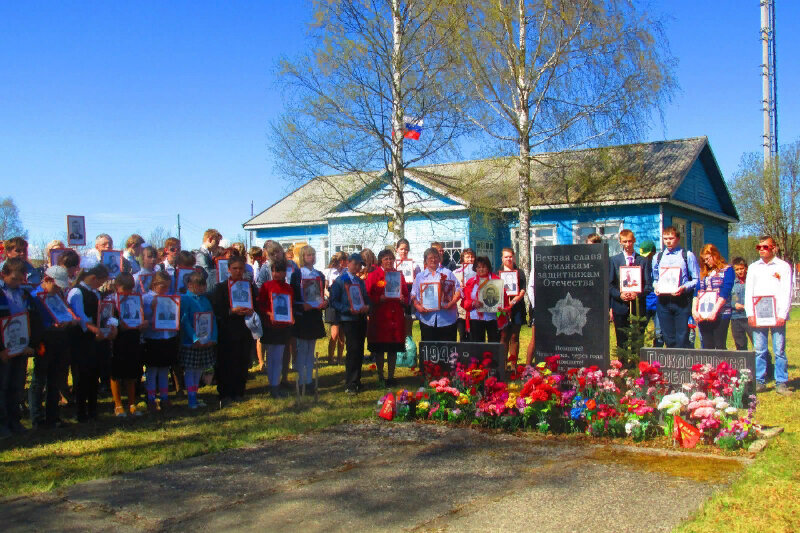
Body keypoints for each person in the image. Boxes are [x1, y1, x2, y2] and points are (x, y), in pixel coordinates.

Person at [0, 258, 44, 437]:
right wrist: (1, 349)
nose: (18, 282)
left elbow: (31, 319)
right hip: (4, 348)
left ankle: (15, 420)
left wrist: (30, 344)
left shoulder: (23, 293)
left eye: (21, 279)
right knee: (2, 385)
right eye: (14, 279)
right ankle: (2, 424)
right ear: (4, 275)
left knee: (16, 385)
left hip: (21, 345)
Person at [29, 266, 77, 428]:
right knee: (39, 380)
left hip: (59, 340)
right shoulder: (34, 297)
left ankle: (53, 416)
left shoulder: (57, 295)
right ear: (47, 280)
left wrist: (69, 320)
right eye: (56, 286)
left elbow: (65, 312)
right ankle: (37, 417)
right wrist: (50, 325)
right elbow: (33, 322)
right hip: (43, 342)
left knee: (54, 379)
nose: (57, 289)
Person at [745, 235, 792, 395]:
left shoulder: (783, 266)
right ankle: (760, 381)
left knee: (779, 350)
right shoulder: (753, 267)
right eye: (759, 247)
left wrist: (782, 314)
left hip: (777, 314)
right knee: (759, 350)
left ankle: (781, 383)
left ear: (774, 248)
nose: (762, 250)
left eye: (765, 247)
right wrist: (750, 314)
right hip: (759, 314)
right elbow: (748, 291)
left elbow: (787, 291)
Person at [67, 263, 114, 422]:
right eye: (101, 282)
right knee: (82, 376)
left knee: (94, 374)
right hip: (82, 339)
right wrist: (95, 330)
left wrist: (106, 328)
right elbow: (79, 316)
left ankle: (93, 409)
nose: (101, 285)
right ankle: (81, 411)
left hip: (96, 339)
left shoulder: (95, 293)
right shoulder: (76, 292)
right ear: (93, 278)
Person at [211, 255, 256, 406]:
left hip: (244, 328)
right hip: (227, 330)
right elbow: (217, 310)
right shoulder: (221, 288)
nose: (238, 271)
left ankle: (239, 391)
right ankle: (225, 393)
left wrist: (251, 311)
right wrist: (232, 311)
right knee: (226, 362)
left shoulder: (249, 286)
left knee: (242, 360)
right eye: (235, 268)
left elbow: (256, 305)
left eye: (240, 268)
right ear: (229, 269)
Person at [651, 226, 699, 348]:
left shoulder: (687, 255)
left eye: (671, 238)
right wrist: (656, 286)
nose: (668, 241)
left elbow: (696, 279)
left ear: (677, 238)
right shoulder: (658, 257)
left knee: (682, 337)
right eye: (665, 238)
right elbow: (655, 279)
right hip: (663, 301)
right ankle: (672, 364)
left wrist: (684, 287)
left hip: (681, 300)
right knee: (668, 336)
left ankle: (684, 364)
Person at [366, 249, 408, 387]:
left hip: (395, 317)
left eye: (391, 258)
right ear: (381, 261)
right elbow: (367, 295)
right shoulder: (373, 275)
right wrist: (379, 298)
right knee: (379, 349)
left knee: (393, 349)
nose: (389, 261)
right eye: (386, 259)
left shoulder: (399, 276)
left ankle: (391, 376)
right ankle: (380, 375)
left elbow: (406, 296)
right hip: (380, 317)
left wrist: (403, 299)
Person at [329, 253, 370, 393]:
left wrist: (367, 307)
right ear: (348, 263)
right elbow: (333, 301)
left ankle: (357, 380)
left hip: (360, 318)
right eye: (356, 264)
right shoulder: (340, 281)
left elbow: (366, 298)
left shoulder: (360, 281)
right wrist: (347, 309)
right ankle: (350, 383)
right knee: (352, 350)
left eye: (360, 264)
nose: (358, 267)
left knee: (359, 350)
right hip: (348, 319)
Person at [609, 230, 652, 361]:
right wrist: (619, 295)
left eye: (630, 241)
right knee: (621, 340)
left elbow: (648, 286)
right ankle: (622, 368)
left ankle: (636, 367)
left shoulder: (643, 261)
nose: (628, 244)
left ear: (634, 241)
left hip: (638, 308)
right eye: (625, 241)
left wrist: (637, 294)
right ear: (620, 242)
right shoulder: (614, 260)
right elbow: (609, 285)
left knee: (636, 340)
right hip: (620, 307)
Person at [289, 245, 327, 394]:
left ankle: (309, 380)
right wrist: (301, 306)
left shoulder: (319, 274)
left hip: (314, 315)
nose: (311, 257)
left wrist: (324, 303)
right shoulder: (297, 274)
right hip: (303, 316)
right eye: (308, 255)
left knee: (311, 348)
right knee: (302, 348)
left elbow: (321, 295)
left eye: (313, 254)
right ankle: (301, 379)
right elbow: (293, 297)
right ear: (302, 257)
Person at [142, 272, 179, 412]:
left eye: (168, 287)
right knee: (152, 370)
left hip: (168, 337)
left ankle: (164, 397)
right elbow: (142, 317)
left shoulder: (170, 298)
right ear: (155, 284)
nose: (166, 290)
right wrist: (152, 309)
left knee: (164, 369)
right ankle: (151, 398)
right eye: (163, 286)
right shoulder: (146, 298)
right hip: (153, 338)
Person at [179, 271, 217, 409]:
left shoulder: (205, 299)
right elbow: (184, 321)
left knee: (199, 369)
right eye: (198, 285)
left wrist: (213, 337)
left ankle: (195, 395)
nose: (202, 288)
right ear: (189, 285)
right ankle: (191, 398)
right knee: (191, 370)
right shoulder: (185, 300)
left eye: (203, 286)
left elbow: (212, 318)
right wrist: (194, 338)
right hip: (191, 343)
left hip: (205, 340)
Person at [258, 258, 294, 397]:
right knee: (271, 357)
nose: (276, 274)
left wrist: (291, 317)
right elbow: (260, 305)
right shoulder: (266, 286)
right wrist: (269, 313)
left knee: (279, 357)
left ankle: (275, 386)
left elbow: (289, 306)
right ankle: (272, 385)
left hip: (283, 326)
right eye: (274, 271)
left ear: (285, 273)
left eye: (279, 271)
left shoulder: (288, 288)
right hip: (270, 325)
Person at [111, 273, 145, 417]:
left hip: (133, 337)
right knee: (116, 373)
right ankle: (117, 404)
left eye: (131, 288)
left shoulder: (136, 298)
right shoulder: (111, 300)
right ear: (116, 286)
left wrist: (143, 323)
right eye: (125, 288)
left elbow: (141, 314)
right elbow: (108, 319)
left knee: (133, 372)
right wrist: (119, 325)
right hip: (118, 339)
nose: (128, 291)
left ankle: (132, 403)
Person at [411, 248, 460, 341]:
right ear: (425, 260)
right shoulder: (419, 277)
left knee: (448, 350)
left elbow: (458, 290)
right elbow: (413, 295)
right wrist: (418, 306)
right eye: (430, 258)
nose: (433, 260)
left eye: (436, 257)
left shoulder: (448, 273)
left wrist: (452, 302)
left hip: (447, 318)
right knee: (430, 350)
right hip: (427, 319)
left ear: (439, 259)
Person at [691, 244, 734, 350]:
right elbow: (697, 292)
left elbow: (725, 292)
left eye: (707, 259)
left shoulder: (728, 270)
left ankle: (722, 366)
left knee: (719, 344)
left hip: (721, 313)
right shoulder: (703, 273)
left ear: (715, 255)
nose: (706, 262)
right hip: (704, 313)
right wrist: (694, 310)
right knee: (707, 345)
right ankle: (707, 367)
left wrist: (714, 311)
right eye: (703, 260)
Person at [462, 256, 505, 342]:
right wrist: (473, 303)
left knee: (493, 344)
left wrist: (500, 306)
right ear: (475, 268)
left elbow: (503, 299)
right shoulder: (471, 282)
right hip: (475, 318)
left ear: (488, 267)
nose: (481, 269)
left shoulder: (496, 281)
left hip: (492, 318)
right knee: (477, 345)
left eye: (484, 267)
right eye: (478, 267)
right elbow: (465, 301)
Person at [498, 248, 527, 367]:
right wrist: (504, 306)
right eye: (506, 257)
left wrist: (513, 302)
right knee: (504, 336)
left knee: (515, 336)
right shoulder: (497, 273)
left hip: (517, 308)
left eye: (510, 256)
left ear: (514, 257)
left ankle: (514, 365)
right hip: (502, 309)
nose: (508, 259)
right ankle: (503, 365)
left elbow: (522, 290)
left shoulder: (519, 272)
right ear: (502, 258)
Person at [322, 252, 347, 365]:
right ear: (341, 261)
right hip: (332, 304)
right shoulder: (328, 272)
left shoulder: (346, 272)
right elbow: (324, 288)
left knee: (342, 335)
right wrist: (330, 296)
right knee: (334, 333)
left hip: (343, 304)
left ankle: (340, 358)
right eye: (346, 260)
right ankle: (330, 358)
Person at [453, 248, 476, 342]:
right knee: (462, 335)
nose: (470, 259)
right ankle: (463, 356)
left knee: (473, 336)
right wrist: (459, 289)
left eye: (472, 257)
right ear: (462, 258)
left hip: (474, 309)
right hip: (461, 310)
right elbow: (452, 290)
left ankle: (473, 356)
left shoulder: (478, 273)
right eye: (467, 257)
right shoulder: (455, 273)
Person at [729, 257, 752, 351]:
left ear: (746, 268)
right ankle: (743, 363)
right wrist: (734, 305)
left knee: (758, 342)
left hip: (749, 317)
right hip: (736, 317)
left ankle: (767, 364)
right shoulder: (732, 283)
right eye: (737, 269)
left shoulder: (751, 282)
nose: (739, 271)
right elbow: (728, 299)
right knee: (740, 344)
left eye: (741, 268)